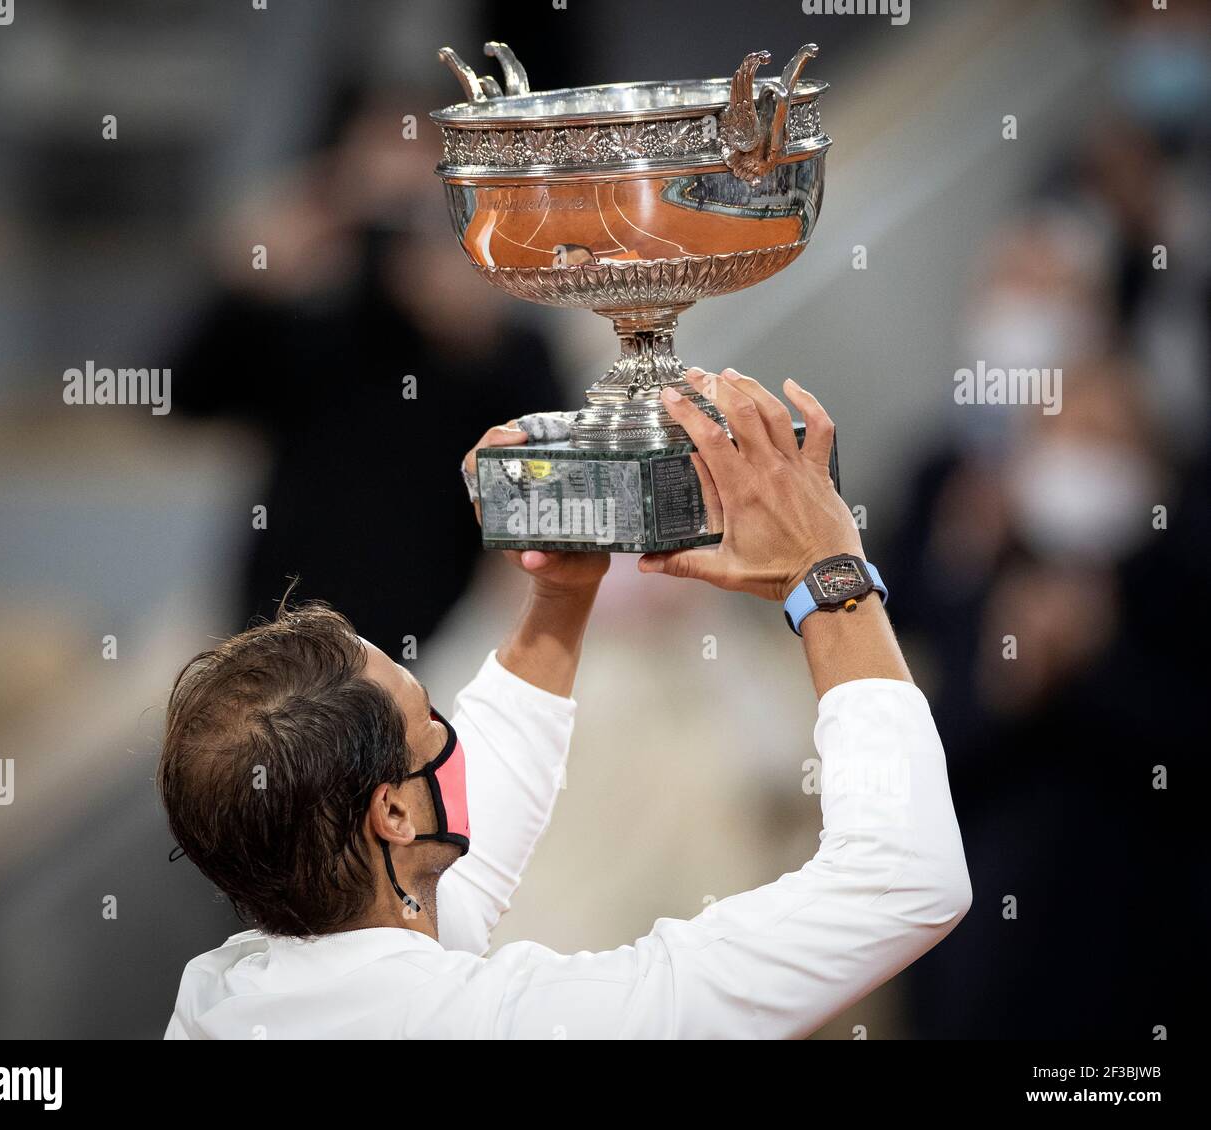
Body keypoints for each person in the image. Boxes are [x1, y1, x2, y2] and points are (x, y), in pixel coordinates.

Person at [160, 367, 970, 1039]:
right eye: (434, 725)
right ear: (394, 816)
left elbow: (476, 822)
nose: (457, 737)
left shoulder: (229, 992)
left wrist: (561, 593)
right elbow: (903, 883)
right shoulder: (519, 1023)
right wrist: (828, 576)